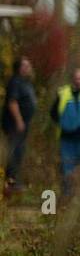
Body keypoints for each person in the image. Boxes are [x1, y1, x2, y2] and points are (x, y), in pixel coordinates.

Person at [49, 68, 80, 192]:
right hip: (67, 139)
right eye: (76, 78)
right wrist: (63, 122)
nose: (78, 80)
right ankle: (67, 195)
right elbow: (53, 113)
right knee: (67, 168)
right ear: (72, 79)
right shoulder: (63, 93)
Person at [3, 57, 37, 190]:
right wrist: (19, 121)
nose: (28, 68)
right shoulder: (15, 82)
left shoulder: (25, 82)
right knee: (15, 151)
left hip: (23, 125)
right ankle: (10, 182)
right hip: (14, 125)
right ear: (19, 68)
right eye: (25, 65)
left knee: (19, 151)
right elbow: (12, 102)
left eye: (29, 65)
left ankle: (14, 180)